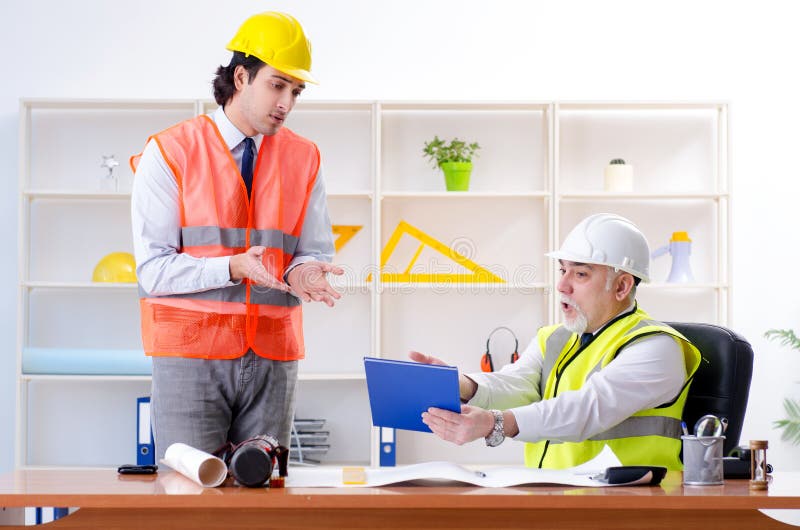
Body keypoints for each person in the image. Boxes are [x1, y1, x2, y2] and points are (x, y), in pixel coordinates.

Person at [130, 11, 343, 463]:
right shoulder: (170, 152)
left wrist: (305, 272)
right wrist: (231, 267)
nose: (286, 102)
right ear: (241, 76)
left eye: (296, 91)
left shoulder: (305, 158)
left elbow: (311, 250)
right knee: (191, 498)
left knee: (265, 501)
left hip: (273, 360)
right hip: (190, 358)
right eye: (277, 85)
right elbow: (153, 271)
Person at [411, 213, 701, 470]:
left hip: (634, 506)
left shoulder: (657, 347)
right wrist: (461, 384)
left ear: (622, 286)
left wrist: (494, 423)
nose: (562, 285)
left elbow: (586, 409)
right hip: (555, 499)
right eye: (562, 270)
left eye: (581, 273)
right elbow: (518, 384)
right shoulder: (554, 338)